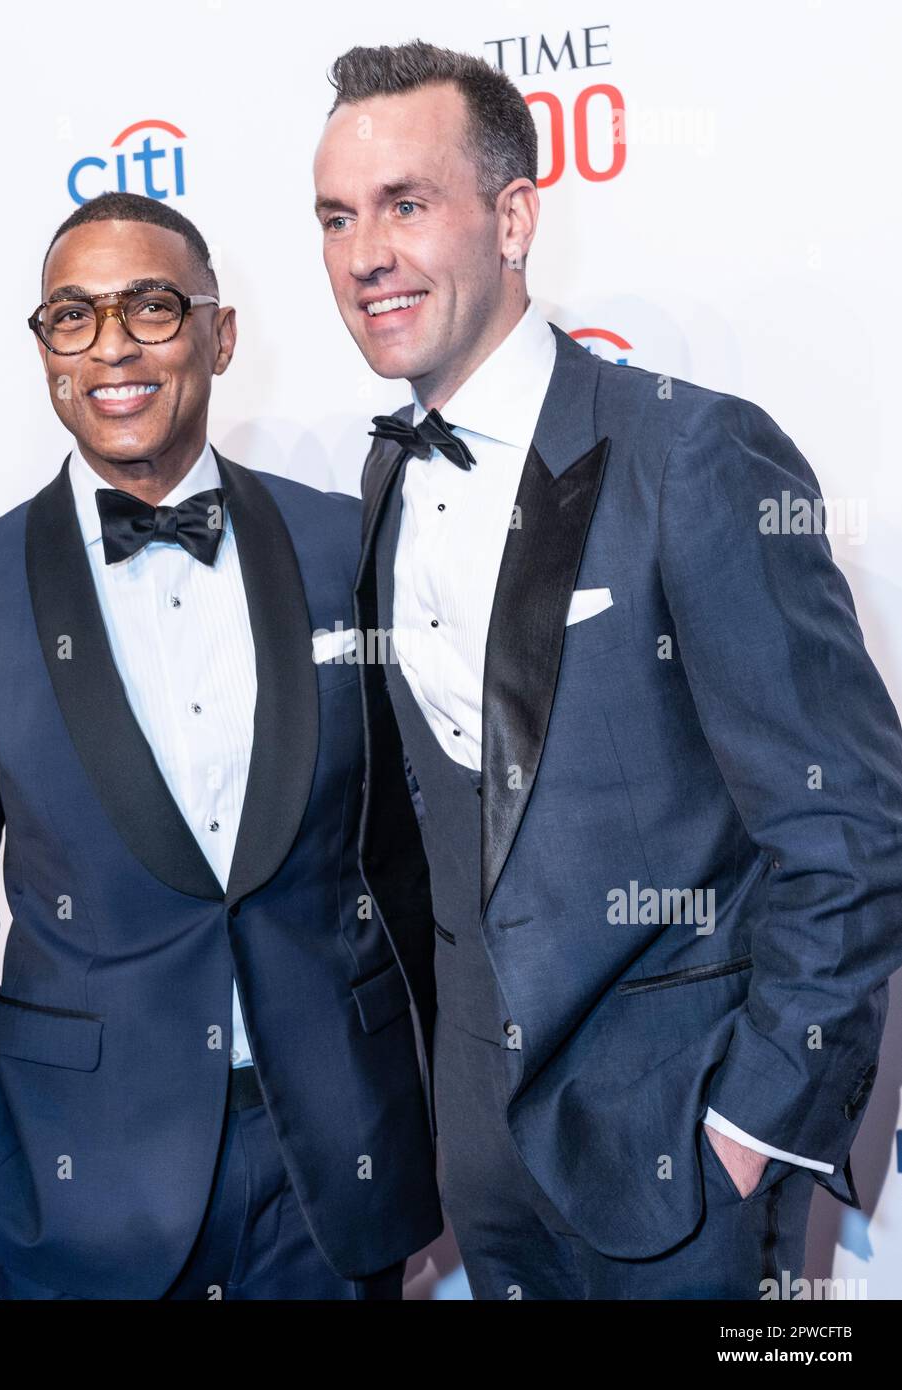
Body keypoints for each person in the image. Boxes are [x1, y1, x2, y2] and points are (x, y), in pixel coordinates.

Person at [313, 39, 902, 1298]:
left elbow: (847, 821)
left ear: (514, 216)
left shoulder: (689, 454)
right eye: (336, 217)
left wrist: (748, 1125)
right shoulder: (379, 482)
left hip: (678, 1162)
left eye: (405, 204)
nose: (365, 252)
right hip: (483, 1166)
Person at [0, 190, 440, 1300]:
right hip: (81, 1191)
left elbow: (417, 860)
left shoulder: (351, 543)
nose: (112, 347)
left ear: (219, 335)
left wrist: (425, 1130)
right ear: (44, 351)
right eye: (72, 318)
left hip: (333, 1179)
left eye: (151, 306)